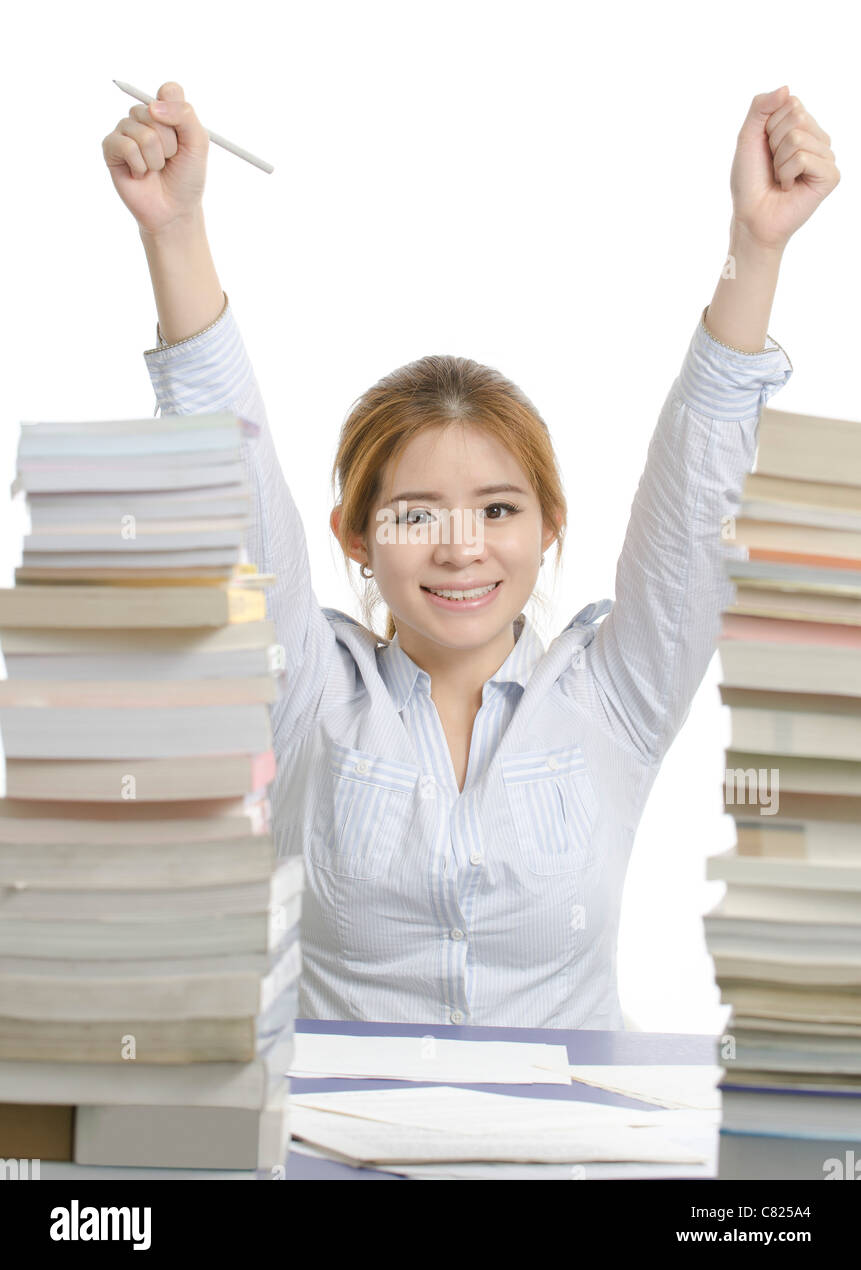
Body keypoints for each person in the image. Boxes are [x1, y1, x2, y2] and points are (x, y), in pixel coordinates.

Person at [102, 81, 840, 1029]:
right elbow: (227, 478)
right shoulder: (305, 695)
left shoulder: (614, 697)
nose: (460, 548)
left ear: (547, 528)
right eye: (415, 515)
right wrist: (174, 230)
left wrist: (758, 245)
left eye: (498, 508)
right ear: (355, 538)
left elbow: (695, 496)